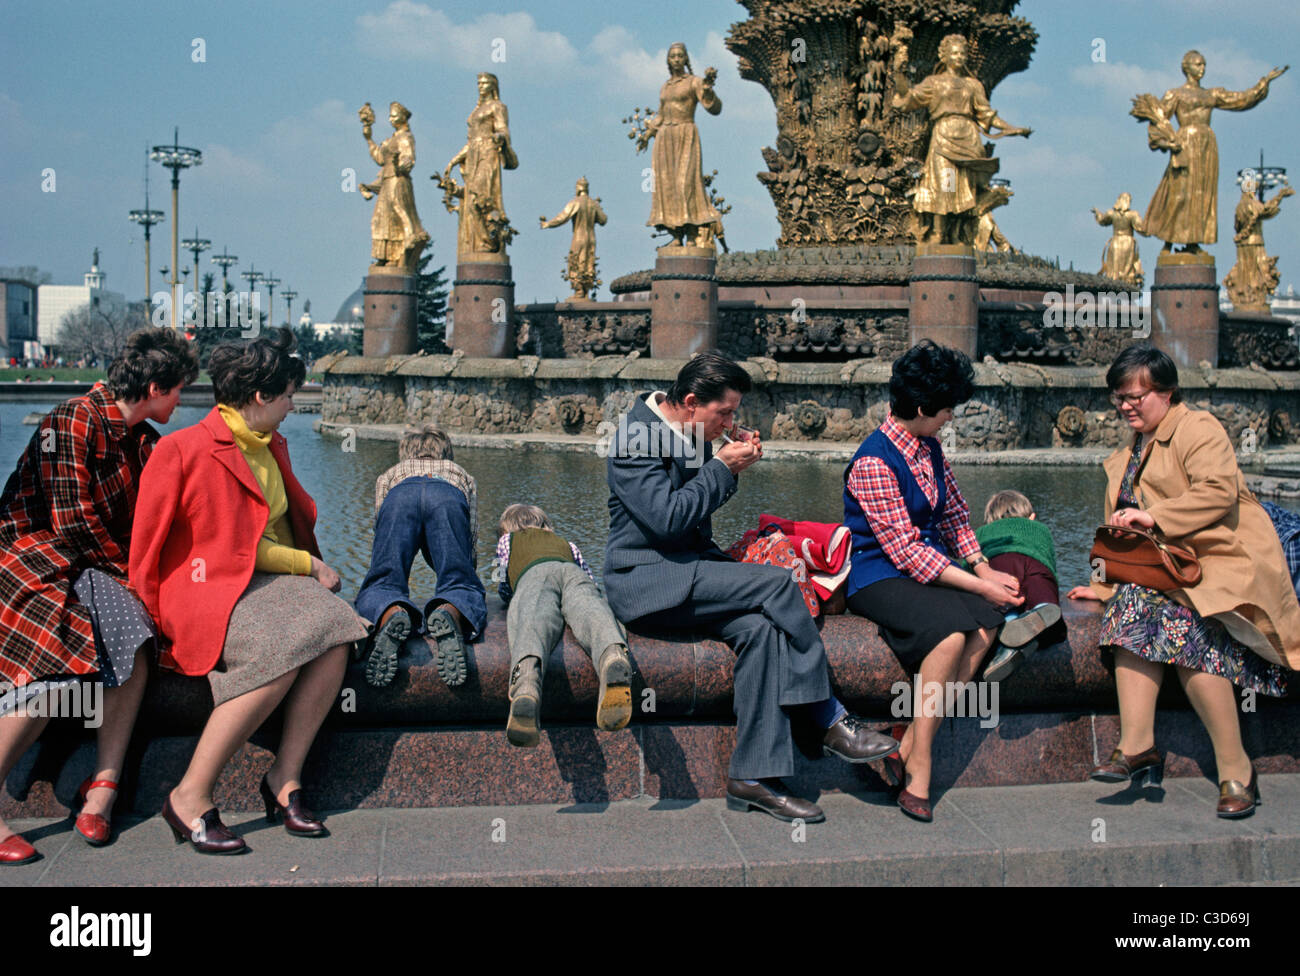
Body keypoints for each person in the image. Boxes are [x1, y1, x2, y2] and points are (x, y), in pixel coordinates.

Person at [605, 352, 896, 825]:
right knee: (778, 584)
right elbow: (667, 519)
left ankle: (753, 778)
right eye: (724, 413)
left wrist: (729, 465)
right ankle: (825, 718)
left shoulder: (689, 429)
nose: (729, 422)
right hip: (646, 580)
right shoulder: (637, 437)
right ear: (692, 402)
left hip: (688, 572)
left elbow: (694, 508)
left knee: (762, 631)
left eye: (733, 413)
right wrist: (722, 467)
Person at [130, 328, 368, 854]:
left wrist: (304, 571)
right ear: (260, 396)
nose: (292, 407)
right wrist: (151, 628)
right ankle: (189, 795)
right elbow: (151, 547)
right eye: (288, 397)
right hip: (204, 591)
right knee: (284, 647)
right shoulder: (181, 449)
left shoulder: (268, 443)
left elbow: (274, 530)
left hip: (263, 586)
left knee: (339, 630)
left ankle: (284, 776)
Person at [1067, 345, 1300, 818]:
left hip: (1218, 566)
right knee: (1133, 602)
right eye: (1119, 397)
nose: (1126, 406)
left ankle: (1234, 765)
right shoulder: (1127, 452)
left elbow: (1218, 491)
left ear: (1168, 392)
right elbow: (1118, 534)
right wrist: (1103, 586)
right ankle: (1139, 745)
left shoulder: (1197, 428)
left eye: (1136, 396)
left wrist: (1155, 517)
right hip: (1167, 575)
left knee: (1185, 627)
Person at [0, 328, 198, 864]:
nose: (181, 402)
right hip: (31, 555)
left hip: (88, 565)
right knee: (60, 649)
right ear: (155, 388)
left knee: (134, 631)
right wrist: (133, 577)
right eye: (179, 390)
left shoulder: (143, 442)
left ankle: (103, 787)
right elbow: (72, 523)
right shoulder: (71, 421)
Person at [843, 341, 1021, 822]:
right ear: (923, 409)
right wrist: (979, 585)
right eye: (946, 410)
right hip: (877, 574)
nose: (950, 417)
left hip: (925, 569)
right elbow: (905, 550)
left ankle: (910, 743)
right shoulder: (874, 461)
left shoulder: (930, 447)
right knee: (950, 636)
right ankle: (921, 765)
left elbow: (956, 515)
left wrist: (984, 569)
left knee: (987, 622)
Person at [354, 424, 485, 689]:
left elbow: (380, 533)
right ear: (445, 453)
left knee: (383, 582)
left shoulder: (389, 475)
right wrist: (465, 577)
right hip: (447, 495)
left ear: (406, 453)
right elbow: (470, 539)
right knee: (460, 582)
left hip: (400, 495)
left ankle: (392, 612)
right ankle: (450, 611)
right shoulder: (461, 474)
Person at [495, 504, 631, 747]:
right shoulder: (567, 544)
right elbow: (589, 580)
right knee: (591, 609)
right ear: (545, 524)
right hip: (572, 573)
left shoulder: (507, 541)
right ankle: (612, 656)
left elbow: (503, 580)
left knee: (532, 621)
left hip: (534, 576)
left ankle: (526, 685)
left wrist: (512, 595)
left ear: (507, 529)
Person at [1136, 52, 1286, 253]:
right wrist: (1167, 143)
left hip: (1207, 147)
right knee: (1179, 193)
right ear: (1186, 67)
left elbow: (1240, 100)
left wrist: (1263, 83)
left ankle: (1193, 242)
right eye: (1198, 64)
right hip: (1185, 145)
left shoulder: (1211, 94)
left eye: (1204, 65)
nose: (1202, 69)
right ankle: (1168, 242)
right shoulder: (1175, 94)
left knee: (1202, 195)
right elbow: (1158, 119)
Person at [890, 33, 1030, 246]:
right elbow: (909, 97)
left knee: (961, 187)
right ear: (944, 56)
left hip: (967, 138)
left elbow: (987, 115)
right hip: (944, 136)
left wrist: (1012, 129)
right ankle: (939, 232)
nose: (959, 57)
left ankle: (958, 234)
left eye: (963, 53)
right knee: (943, 184)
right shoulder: (934, 82)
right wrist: (899, 71)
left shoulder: (973, 85)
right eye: (955, 53)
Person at [635, 42, 724, 249]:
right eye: (672, 56)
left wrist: (708, 89)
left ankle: (692, 234)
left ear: (686, 59)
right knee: (668, 187)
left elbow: (715, 108)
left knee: (686, 184)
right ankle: (676, 235)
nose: (676, 59)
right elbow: (661, 114)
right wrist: (647, 135)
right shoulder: (665, 87)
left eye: (680, 56)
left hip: (686, 134)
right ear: (668, 60)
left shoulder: (694, 82)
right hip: (665, 138)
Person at [975, 489, 1066, 683]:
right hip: (1035, 565)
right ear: (1032, 517)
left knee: (1004, 604)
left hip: (997, 567)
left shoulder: (981, 533)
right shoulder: (1040, 529)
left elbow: (970, 566)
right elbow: (1049, 563)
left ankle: (1009, 628)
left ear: (989, 521)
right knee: (1041, 585)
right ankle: (1042, 606)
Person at [443, 72, 518, 256]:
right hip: (473, 157)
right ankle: (478, 243)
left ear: (493, 86)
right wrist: (453, 161)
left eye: (484, 83)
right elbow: (471, 143)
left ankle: (490, 241)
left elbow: (503, 130)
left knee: (482, 197)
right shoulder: (476, 110)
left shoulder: (498, 106)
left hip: (488, 154)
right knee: (470, 201)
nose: (481, 87)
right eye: (479, 83)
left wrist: (499, 136)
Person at [358, 100, 431, 273]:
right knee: (380, 219)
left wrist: (400, 165)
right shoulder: (391, 139)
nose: (391, 119)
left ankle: (396, 256)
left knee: (396, 217)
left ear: (403, 117)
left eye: (394, 116)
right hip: (386, 181)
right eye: (390, 116)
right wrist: (369, 138)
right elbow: (380, 159)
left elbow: (409, 159)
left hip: (398, 181)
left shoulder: (405, 137)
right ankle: (384, 256)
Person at [1093, 192, 1145, 289]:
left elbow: (1102, 220)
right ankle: (1126, 284)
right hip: (1128, 243)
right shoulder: (1133, 215)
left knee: (1114, 267)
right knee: (1127, 267)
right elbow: (1141, 228)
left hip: (1115, 242)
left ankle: (1114, 284)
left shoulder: (1112, 214)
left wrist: (1097, 213)